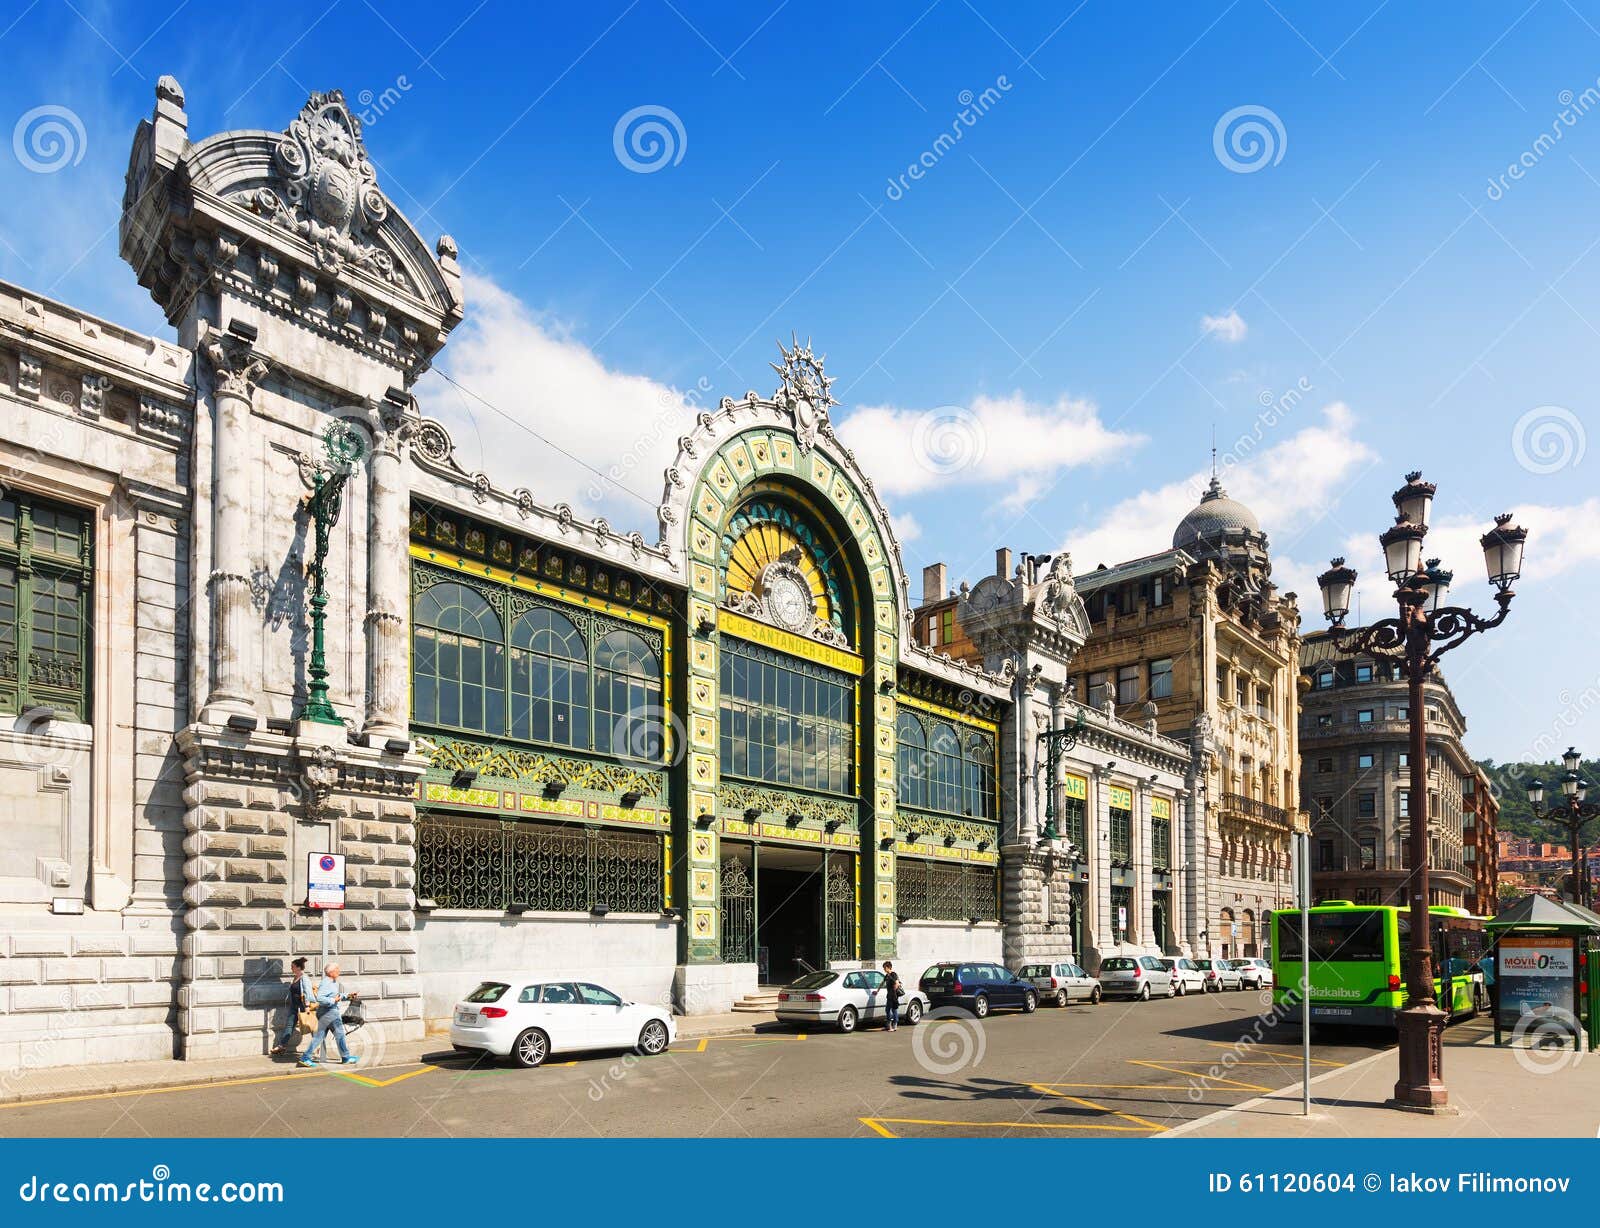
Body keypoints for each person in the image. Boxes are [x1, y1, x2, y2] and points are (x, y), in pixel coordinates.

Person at [298, 962, 361, 1067]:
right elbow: (320, 998)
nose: (339, 972)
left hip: (326, 1012)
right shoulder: (327, 983)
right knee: (340, 1034)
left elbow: (335, 996)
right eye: (337, 970)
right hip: (330, 1012)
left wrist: (348, 996)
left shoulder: (332, 982)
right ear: (331, 972)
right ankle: (345, 1057)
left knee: (319, 1036)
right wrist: (333, 1000)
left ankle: (305, 1057)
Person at [270, 957, 314, 1056]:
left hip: (303, 1006)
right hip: (294, 1006)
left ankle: (318, 1044)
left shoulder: (304, 978)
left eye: (292, 966)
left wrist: (307, 1005)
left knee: (310, 1026)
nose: (291, 968)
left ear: (298, 967)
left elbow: (307, 992)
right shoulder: (295, 978)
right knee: (289, 1026)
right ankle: (281, 1046)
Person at [881, 961, 903, 1032]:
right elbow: (882, 983)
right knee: (891, 1010)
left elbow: (897, 983)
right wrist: (877, 991)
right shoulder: (887, 976)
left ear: (888, 967)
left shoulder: (893, 974)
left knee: (891, 1009)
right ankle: (891, 1025)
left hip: (893, 995)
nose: (884, 969)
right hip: (889, 995)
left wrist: (894, 991)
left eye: (885, 968)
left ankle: (893, 1025)